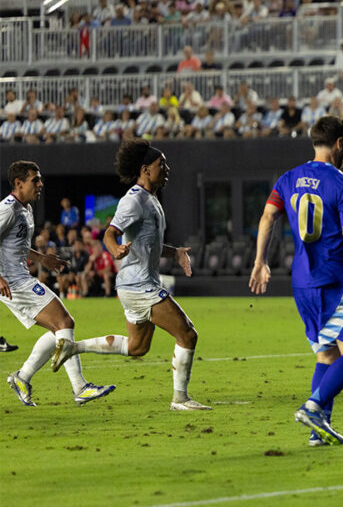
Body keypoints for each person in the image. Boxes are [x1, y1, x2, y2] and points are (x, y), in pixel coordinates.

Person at [50, 142, 209, 411]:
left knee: (137, 348)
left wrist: (176, 254)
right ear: (146, 170)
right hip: (139, 285)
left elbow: (148, 244)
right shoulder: (134, 199)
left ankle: (72, 348)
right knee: (188, 335)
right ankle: (180, 399)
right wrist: (115, 249)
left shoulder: (151, 199)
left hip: (136, 284)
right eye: (162, 165)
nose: (167, 169)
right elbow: (109, 233)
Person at [250, 116, 343, 447]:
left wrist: (260, 261)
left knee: (326, 353)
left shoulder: (288, 179)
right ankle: (313, 407)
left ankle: (319, 431)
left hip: (301, 280)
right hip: (333, 279)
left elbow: (268, 216)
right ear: (340, 143)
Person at [3, 161, 115, 407]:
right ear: (19, 183)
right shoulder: (8, 209)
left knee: (59, 330)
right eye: (35, 180)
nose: (40, 184)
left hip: (19, 278)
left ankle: (22, 378)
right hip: (12, 282)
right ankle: (80, 388)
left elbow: (17, 245)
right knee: (65, 322)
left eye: (40, 179)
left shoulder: (25, 209)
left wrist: (42, 258)